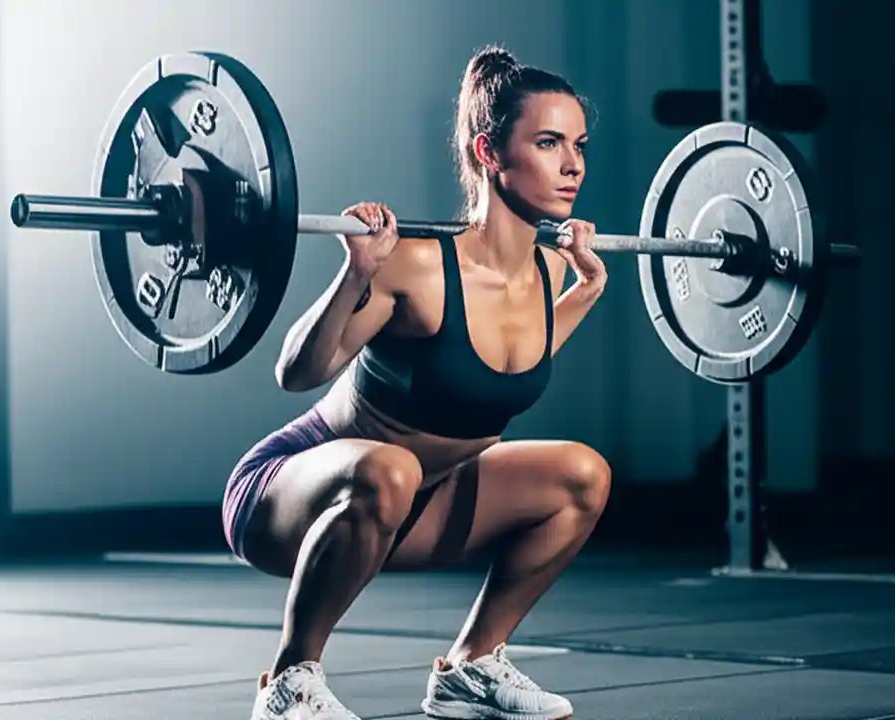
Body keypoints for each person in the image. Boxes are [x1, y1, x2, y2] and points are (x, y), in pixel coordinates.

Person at [222, 45, 610, 720]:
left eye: (577, 144)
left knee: (583, 474)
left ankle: (472, 667)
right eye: (548, 143)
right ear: (489, 153)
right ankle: (289, 683)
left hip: (413, 505)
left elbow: (509, 368)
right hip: (291, 494)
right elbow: (296, 373)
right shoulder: (419, 268)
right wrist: (356, 273)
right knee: (391, 469)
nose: (572, 163)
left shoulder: (549, 276)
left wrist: (589, 284)